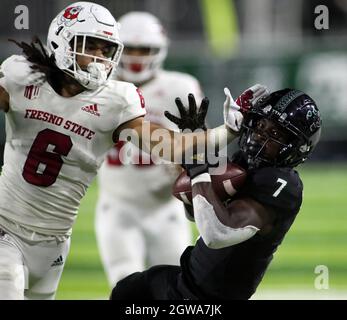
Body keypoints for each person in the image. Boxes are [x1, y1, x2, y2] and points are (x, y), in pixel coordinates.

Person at [0, 2, 236, 299]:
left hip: (54, 241)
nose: (99, 58)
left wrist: (227, 132)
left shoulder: (116, 100)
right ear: (63, 40)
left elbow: (171, 147)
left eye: (105, 50)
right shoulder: (21, 77)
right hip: (6, 228)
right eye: (91, 47)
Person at [110, 87, 322, 300]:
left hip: (209, 298)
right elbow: (196, 211)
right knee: (128, 290)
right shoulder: (245, 161)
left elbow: (217, 233)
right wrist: (198, 145)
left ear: (295, 146)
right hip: (189, 280)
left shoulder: (282, 183)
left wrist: (199, 167)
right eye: (259, 125)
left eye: (274, 133)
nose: (259, 136)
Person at [95, 12, 204, 288]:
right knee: (125, 285)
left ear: (160, 50)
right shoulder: (99, 87)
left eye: (144, 49)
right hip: (117, 206)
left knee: (174, 289)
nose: (136, 56)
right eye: (130, 48)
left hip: (166, 209)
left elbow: (198, 146)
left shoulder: (180, 87)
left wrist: (186, 162)